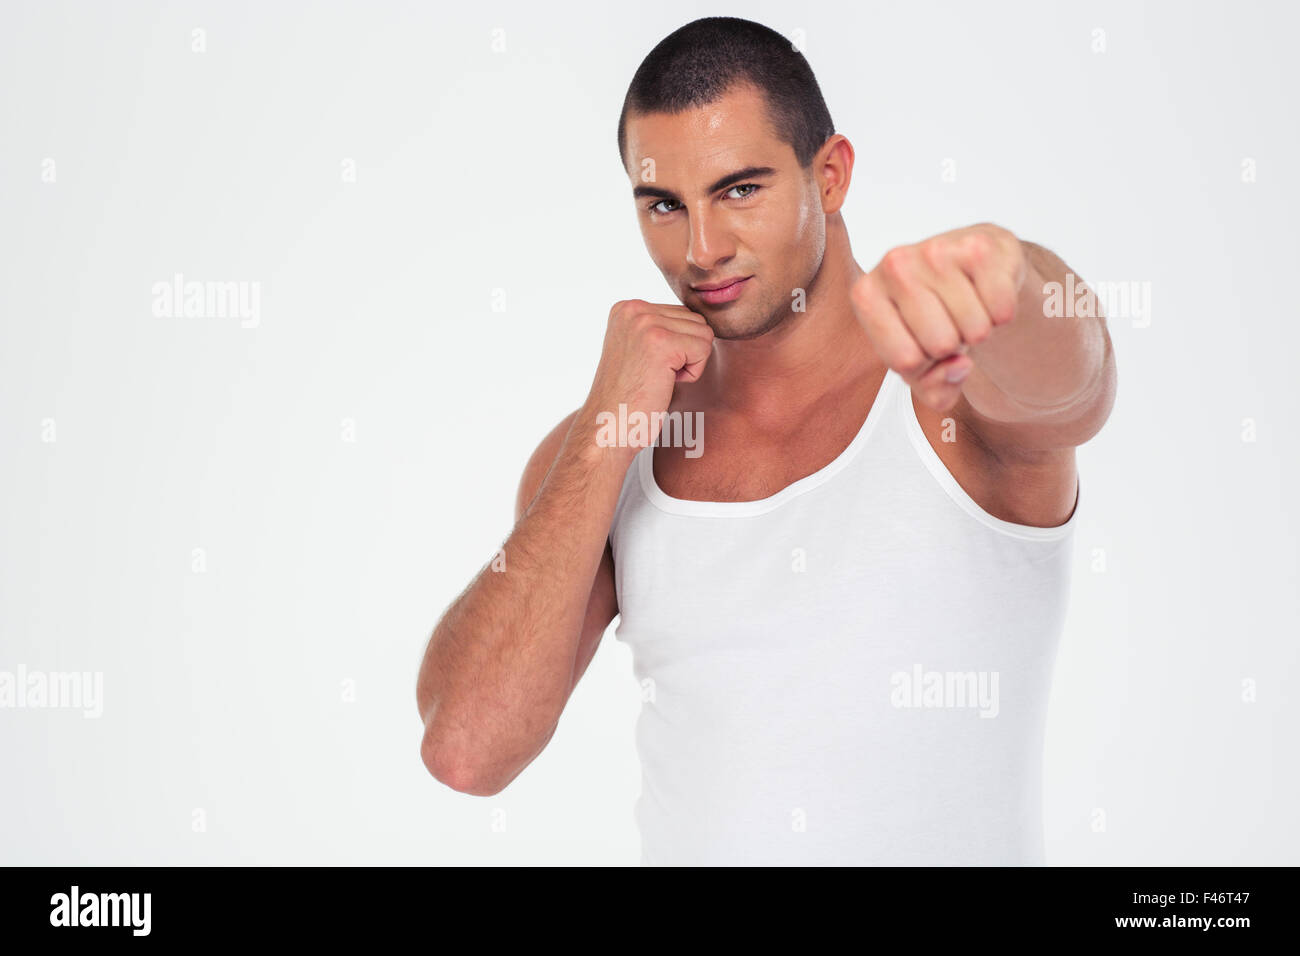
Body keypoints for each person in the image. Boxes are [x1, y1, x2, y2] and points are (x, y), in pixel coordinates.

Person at [415, 16, 1117, 865]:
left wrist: (1009, 283)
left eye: (740, 189)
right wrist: (605, 437)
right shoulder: (609, 450)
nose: (702, 250)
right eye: (664, 205)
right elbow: (466, 751)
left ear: (830, 175)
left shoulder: (952, 398)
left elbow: (1073, 389)